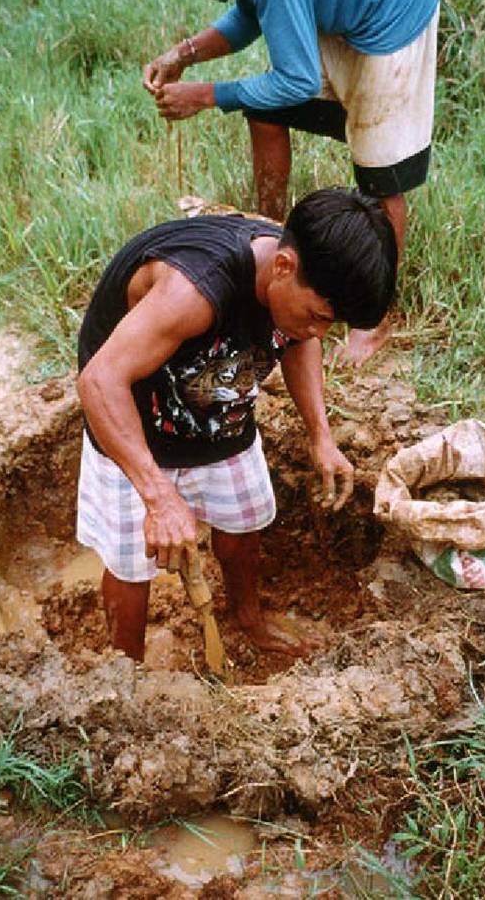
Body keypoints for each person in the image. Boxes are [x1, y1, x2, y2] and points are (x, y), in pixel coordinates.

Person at [76, 189, 397, 662]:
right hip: (131, 415)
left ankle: (249, 619)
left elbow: (299, 339)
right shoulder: (192, 290)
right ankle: (128, 670)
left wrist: (320, 436)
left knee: (243, 520)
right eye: (318, 317)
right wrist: (159, 497)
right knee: (130, 560)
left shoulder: (295, 292)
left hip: (218, 405)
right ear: (283, 267)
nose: (319, 333)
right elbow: (100, 381)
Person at [118, 0, 440, 365]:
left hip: (391, 10)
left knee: (381, 177)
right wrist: (184, 53)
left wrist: (206, 95)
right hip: (343, 6)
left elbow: (297, 80)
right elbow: (252, 13)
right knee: (265, 110)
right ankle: (265, 236)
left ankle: (371, 319)